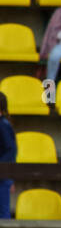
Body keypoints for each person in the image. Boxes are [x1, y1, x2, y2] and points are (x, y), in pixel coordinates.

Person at [0, 91, 14, 220]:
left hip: (2, 176)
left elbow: (11, 150)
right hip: (4, 175)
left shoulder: (3, 125)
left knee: (3, 213)